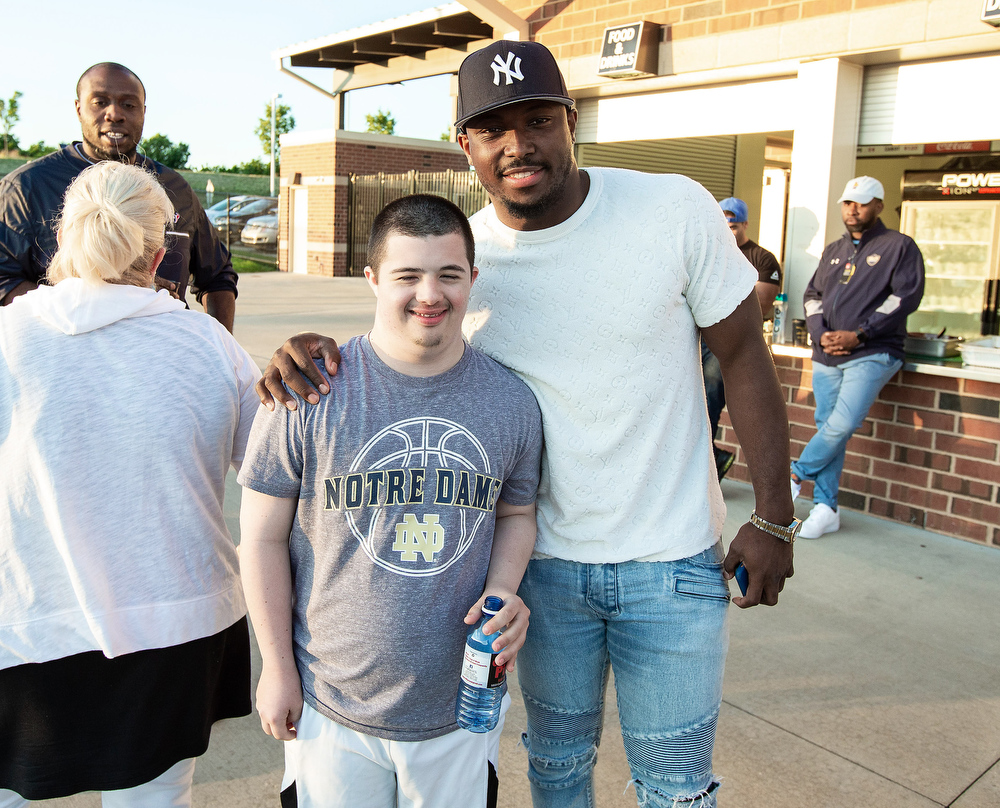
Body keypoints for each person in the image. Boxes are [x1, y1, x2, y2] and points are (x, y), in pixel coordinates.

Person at [255, 41, 797, 808]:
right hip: (540, 577)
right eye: (493, 130)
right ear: (466, 145)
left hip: (672, 564)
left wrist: (775, 517)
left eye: (539, 120)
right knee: (556, 776)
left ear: (572, 122)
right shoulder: (468, 257)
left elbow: (743, 353)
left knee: (677, 790)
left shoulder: (671, 209)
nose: (519, 145)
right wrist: (309, 353)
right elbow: (399, 341)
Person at [237, 194, 543, 808]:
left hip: (460, 704)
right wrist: (276, 667)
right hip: (331, 701)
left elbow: (516, 513)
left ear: (473, 280)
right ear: (373, 280)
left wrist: (505, 589)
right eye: (408, 275)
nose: (429, 293)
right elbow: (262, 538)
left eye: (449, 275)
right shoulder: (309, 391)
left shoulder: (511, 403)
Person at [0, 161, 261, 807]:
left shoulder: (7, 337)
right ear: (159, 249)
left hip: (27, 626)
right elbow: (273, 477)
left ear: (65, 237)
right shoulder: (209, 346)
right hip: (176, 626)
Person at [0, 62, 238, 331]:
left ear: (144, 112)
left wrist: (220, 347)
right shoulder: (25, 189)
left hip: (165, 360)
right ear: (79, 109)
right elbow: (3, 279)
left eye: (129, 104)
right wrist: (127, 301)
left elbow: (218, 276)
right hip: (71, 364)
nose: (114, 113)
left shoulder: (175, 188)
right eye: (100, 102)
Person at [791, 176, 924, 538]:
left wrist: (860, 334)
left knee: (841, 424)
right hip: (828, 353)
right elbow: (813, 294)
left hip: (873, 351)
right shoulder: (834, 249)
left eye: (862, 203)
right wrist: (820, 334)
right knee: (828, 428)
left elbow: (904, 298)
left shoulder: (899, 246)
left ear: (879, 205)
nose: (853, 209)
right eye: (848, 203)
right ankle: (825, 508)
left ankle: (795, 474)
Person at [703, 197, 783, 480]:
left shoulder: (762, 258)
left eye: (734, 226)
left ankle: (707, 465)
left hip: (735, 343)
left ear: (745, 225)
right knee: (692, 403)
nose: (729, 230)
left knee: (710, 398)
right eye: (723, 224)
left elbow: (761, 302)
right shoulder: (708, 253)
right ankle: (714, 458)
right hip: (700, 339)